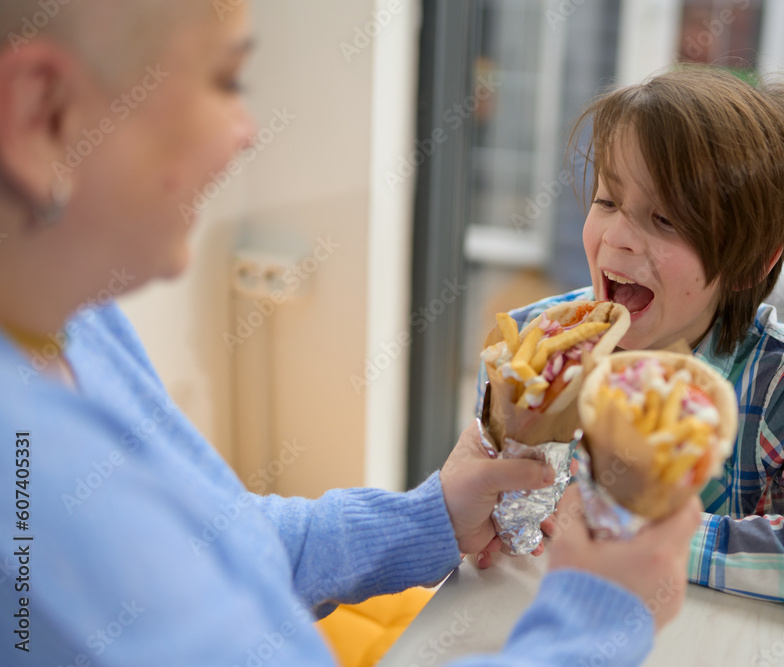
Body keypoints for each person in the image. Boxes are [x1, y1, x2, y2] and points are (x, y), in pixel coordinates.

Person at [0, 1, 701, 665]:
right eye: (226, 79)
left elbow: (218, 540)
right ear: (44, 110)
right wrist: (598, 612)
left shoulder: (75, 322)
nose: (246, 131)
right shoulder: (32, 480)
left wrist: (429, 517)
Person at [477, 67, 784, 621]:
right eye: (608, 201)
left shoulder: (779, 380)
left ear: (752, 262)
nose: (616, 237)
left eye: (664, 218)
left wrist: (659, 538)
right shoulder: (534, 346)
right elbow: (487, 526)